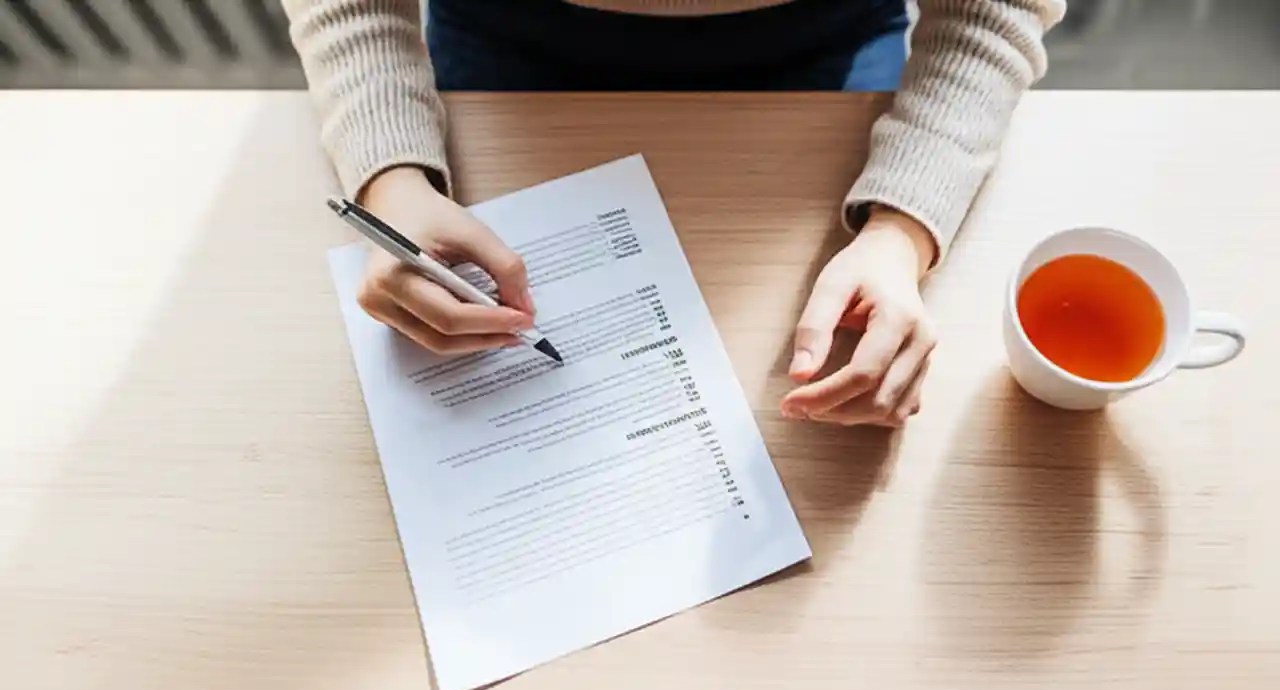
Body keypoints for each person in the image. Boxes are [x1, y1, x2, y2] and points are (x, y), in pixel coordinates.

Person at [285, 0, 1065, 427]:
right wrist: (390, 177)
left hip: (828, 45)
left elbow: (991, 9)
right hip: (501, 47)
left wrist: (902, 229)